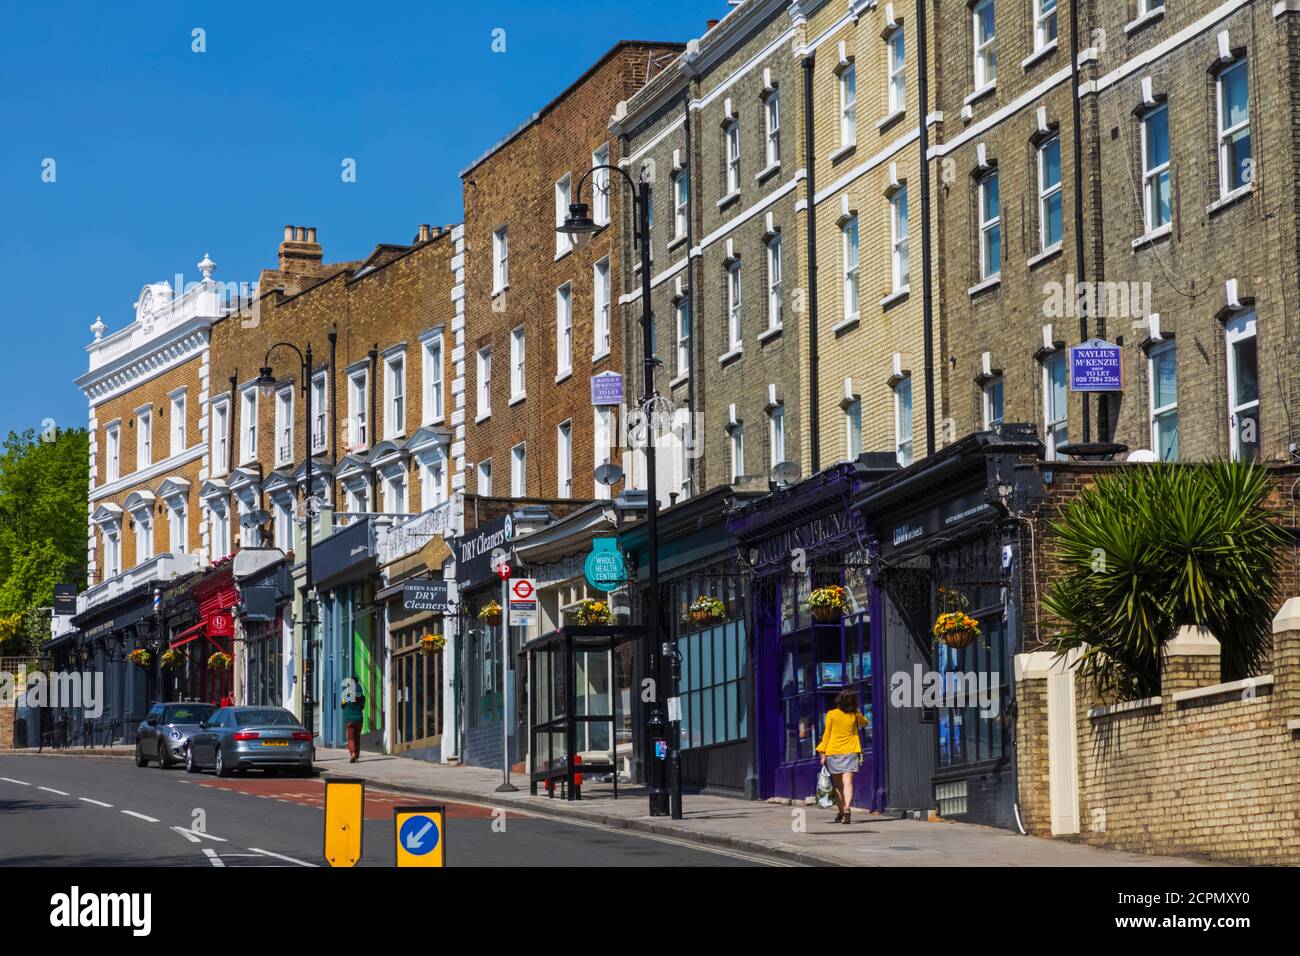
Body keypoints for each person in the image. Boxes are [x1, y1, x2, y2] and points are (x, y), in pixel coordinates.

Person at [816, 690, 869, 825]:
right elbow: (865, 723)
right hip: (851, 752)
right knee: (848, 783)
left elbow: (826, 734)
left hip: (833, 752)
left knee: (838, 785)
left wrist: (822, 752)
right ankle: (847, 809)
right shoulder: (854, 714)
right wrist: (857, 712)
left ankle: (841, 811)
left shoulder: (831, 714)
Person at [341, 688, 365, 763]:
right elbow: (362, 707)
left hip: (350, 720)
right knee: (357, 738)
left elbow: (342, 705)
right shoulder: (363, 698)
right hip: (359, 720)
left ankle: (353, 753)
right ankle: (357, 756)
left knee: (351, 739)